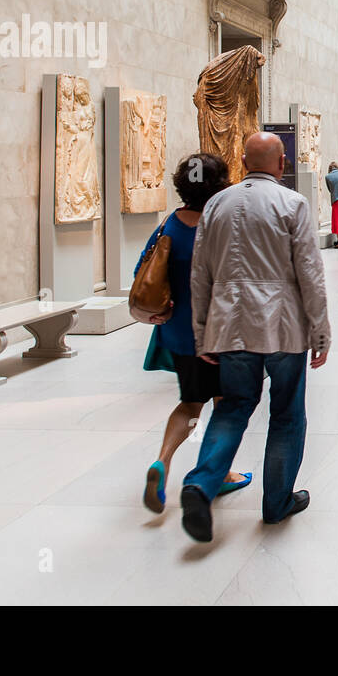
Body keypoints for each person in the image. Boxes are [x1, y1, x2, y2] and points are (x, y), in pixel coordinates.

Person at [179, 132, 330, 543]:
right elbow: (310, 275)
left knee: (231, 410)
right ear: (282, 163)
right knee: (286, 415)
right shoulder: (292, 204)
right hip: (283, 327)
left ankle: (201, 483)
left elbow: (200, 275)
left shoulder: (215, 205)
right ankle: (277, 501)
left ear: (243, 160)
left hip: (229, 325)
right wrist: (320, 331)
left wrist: (201, 332)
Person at [136, 153, 250, 514]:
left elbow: (144, 269)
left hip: (180, 333)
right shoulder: (225, 224)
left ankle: (163, 461)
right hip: (220, 333)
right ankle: (219, 473)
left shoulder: (170, 225)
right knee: (224, 405)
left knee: (190, 403)